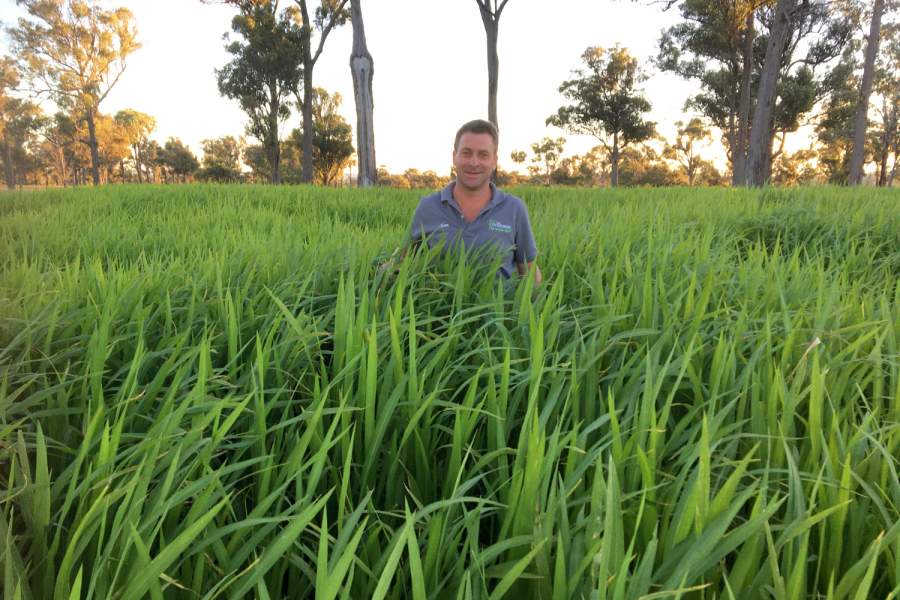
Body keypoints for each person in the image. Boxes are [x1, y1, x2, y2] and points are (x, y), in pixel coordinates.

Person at [404, 119, 542, 285]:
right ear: (454, 156)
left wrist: (538, 308)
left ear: (494, 161)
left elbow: (529, 273)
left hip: (498, 310)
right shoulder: (428, 207)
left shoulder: (514, 209)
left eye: (483, 155)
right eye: (466, 153)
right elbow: (403, 264)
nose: (474, 162)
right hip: (435, 309)